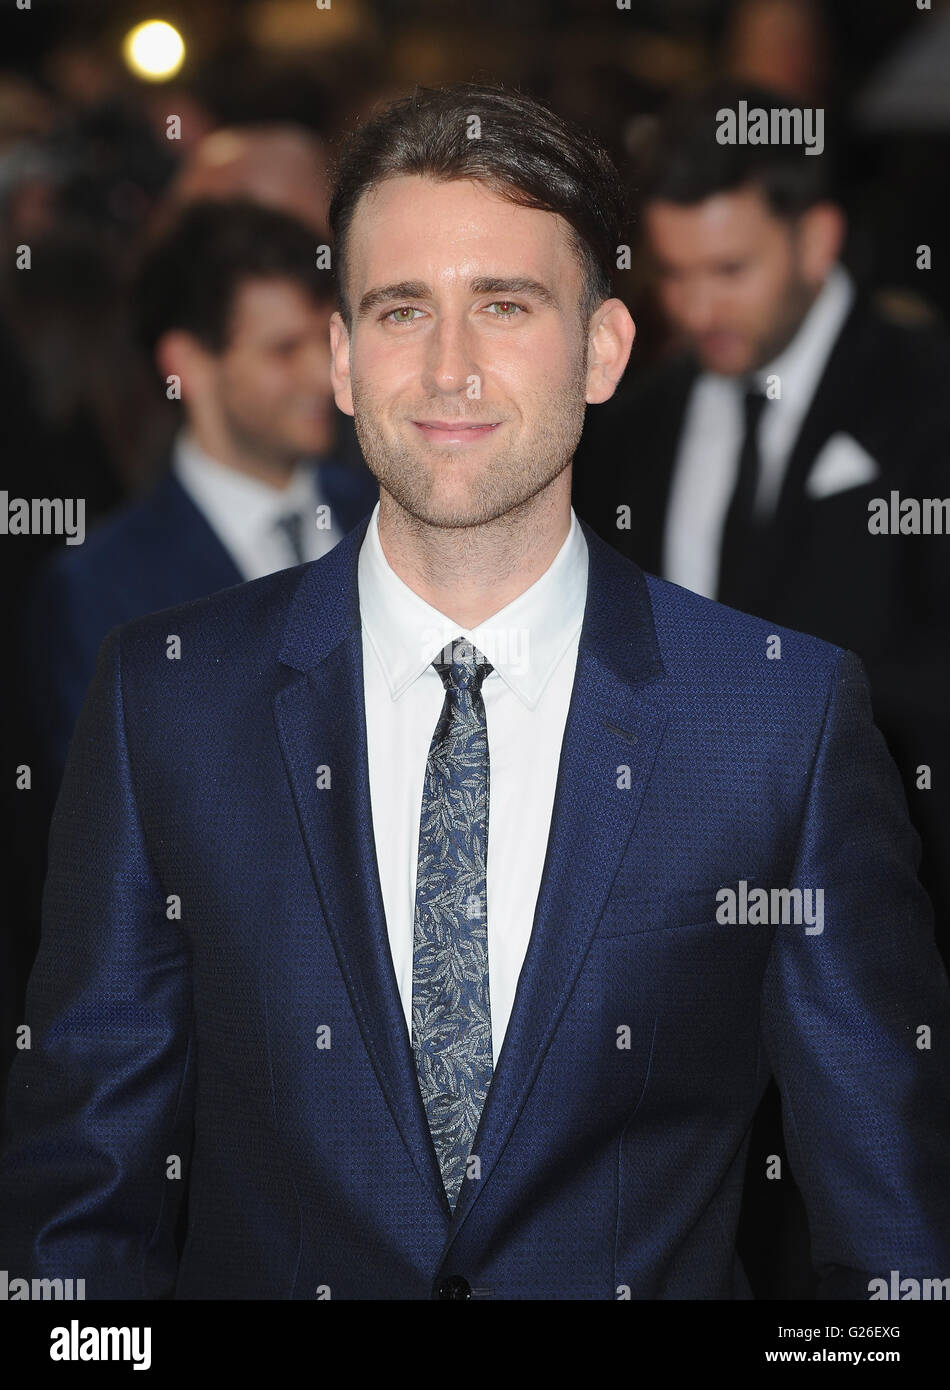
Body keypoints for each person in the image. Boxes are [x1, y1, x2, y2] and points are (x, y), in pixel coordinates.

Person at [1, 82, 948, 1301]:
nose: (448, 368)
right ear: (342, 357)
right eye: (401, 311)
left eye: (503, 306)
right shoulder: (168, 703)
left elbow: (893, 1244)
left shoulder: (777, 722)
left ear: (604, 348)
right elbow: (78, 1210)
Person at [572, 80, 950, 965]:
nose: (699, 310)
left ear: (816, 239)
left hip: (889, 920)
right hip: (671, 941)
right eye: (675, 273)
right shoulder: (629, 425)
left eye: (731, 271)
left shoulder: (930, 403)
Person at [23, 198, 378, 792]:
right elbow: (109, 829)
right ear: (187, 364)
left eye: (327, 339)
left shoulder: (388, 514)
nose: (326, 373)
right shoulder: (101, 588)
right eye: (283, 349)